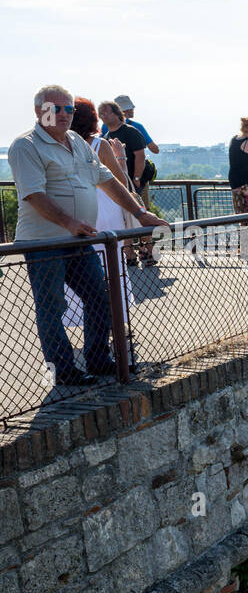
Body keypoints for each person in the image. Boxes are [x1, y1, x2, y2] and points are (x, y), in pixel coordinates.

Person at [10, 85, 166, 386]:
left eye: (69, 109)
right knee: (52, 307)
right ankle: (64, 371)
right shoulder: (25, 146)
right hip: (45, 242)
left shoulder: (76, 143)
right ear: (38, 111)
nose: (64, 114)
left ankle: (98, 359)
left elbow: (107, 181)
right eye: (56, 108)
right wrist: (69, 223)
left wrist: (140, 213)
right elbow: (33, 195)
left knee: (100, 298)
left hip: (81, 238)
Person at [66, 99, 139, 325]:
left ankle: (87, 318)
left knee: (81, 266)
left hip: (78, 208)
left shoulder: (62, 145)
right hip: (106, 208)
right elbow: (119, 182)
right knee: (112, 265)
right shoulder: (100, 145)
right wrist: (121, 158)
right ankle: (116, 318)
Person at [113, 95, 159, 210]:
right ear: (125, 110)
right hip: (136, 177)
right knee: (143, 209)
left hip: (116, 177)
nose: (133, 110)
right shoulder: (136, 127)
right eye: (131, 108)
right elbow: (155, 149)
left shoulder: (105, 127)